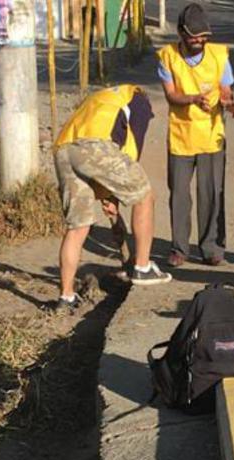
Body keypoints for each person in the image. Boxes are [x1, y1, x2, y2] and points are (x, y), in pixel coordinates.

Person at [53, 84, 172, 310]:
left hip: (63, 149)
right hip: (97, 146)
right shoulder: (138, 99)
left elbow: (87, 158)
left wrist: (108, 194)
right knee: (145, 196)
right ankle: (143, 267)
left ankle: (65, 297)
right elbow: (131, 149)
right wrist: (115, 192)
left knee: (78, 227)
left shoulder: (100, 98)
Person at [158, 2, 234, 267]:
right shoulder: (167, 57)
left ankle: (211, 247)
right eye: (194, 36)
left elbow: (226, 91)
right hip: (181, 136)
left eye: (203, 36)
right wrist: (193, 99)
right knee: (179, 195)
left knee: (212, 193)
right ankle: (179, 249)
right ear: (181, 33)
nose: (200, 40)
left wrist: (228, 102)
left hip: (211, 136)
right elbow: (171, 95)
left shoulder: (219, 55)